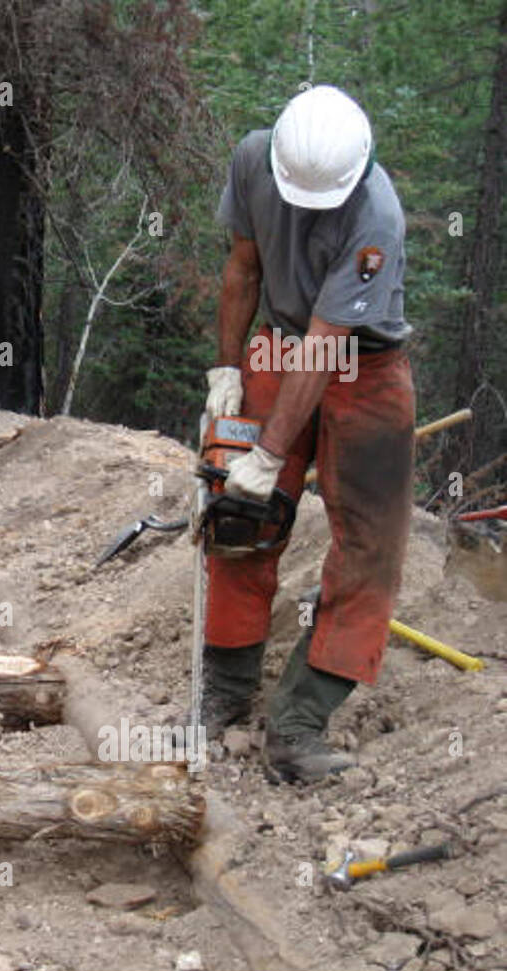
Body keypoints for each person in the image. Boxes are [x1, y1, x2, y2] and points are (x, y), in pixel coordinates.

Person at [205, 85, 415, 783]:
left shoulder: (376, 213)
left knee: (369, 549)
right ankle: (223, 691)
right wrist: (226, 370)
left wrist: (269, 453)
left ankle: (298, 724)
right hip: (278, 346)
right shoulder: (253, 158)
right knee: (239, 514)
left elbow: (329, 345)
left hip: (365, 363)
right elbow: (243, 267)